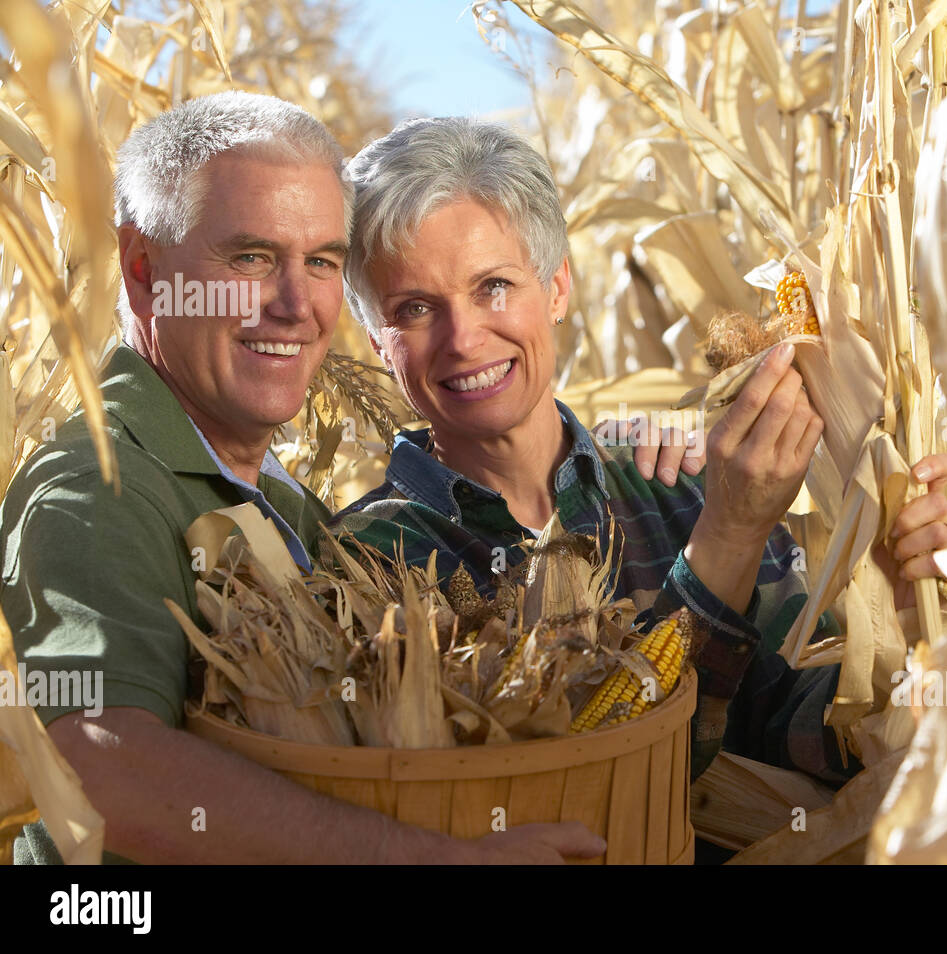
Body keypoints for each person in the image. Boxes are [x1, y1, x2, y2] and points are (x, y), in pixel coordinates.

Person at [2, 91, 635, 864]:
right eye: (250, 258)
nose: (296, 305)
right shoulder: (94, 488)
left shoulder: (282, 502)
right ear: (144, 272)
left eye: (323, 262)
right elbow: (104, 771)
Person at [333, 118, 947, 783]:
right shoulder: (371, 564)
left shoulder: (681, 485)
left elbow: (794, 744)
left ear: (557, 288)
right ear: (376, 339)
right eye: (415, 309)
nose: (463, 339)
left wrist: (886, 618)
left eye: (494, 287)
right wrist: (726, 542)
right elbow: (587, 791)